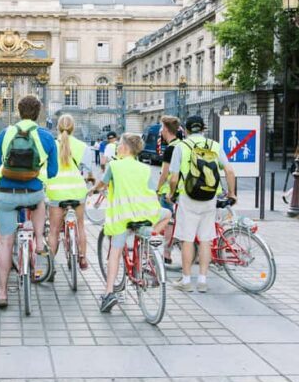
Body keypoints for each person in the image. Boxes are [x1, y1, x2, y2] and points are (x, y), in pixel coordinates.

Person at [90, 133, 170, 312]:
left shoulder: (114, 165)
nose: (117, 147)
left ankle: (109, 292)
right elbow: (150, 191)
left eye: (119, 145)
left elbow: (102, 184)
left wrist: (93, 190)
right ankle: (150, 238)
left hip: (123, 216)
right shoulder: (144, 168)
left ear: (125, 148)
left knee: (115, 253)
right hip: (145, 213)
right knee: (167, 215)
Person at [0, 95, 58, 309]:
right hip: (32, 192)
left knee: (5, 242)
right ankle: (39, 240)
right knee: (39, 202)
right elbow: (54, 172)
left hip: (6, 193)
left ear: (18, 111)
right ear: (39, 113)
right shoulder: (46, 137)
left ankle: (2, 293)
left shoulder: (5, 133)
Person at [167, 115, 236, 293]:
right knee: (206, 239)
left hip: (187, 197)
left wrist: (170, 193)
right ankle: (203, 280)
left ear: (185, 130)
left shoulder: (181, 147)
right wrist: (232, 193)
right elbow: (229, 170)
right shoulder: (214, 146)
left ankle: (187, 280)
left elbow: (174, 178)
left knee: (187, 240)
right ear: (203, 128)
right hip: (209, 197)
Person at [46, 114, 91, 271]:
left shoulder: (51, 145)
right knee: (80, 226)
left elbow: (45, 169)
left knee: (54, 230)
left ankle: (50, 267)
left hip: (56, 193)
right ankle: (83, 258)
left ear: (57, 127)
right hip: (78, 192)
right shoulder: (82, 146)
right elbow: (88, 170)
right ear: (73, 128)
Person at [155, 116, 182, 212]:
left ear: (166, 129)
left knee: (164, 221)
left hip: (167, 191)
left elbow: (165, 174)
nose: (161, 131)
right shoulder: (181, 144)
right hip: (180, 190)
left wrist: (157, 190)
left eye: (162, 128)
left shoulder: (170, 148)